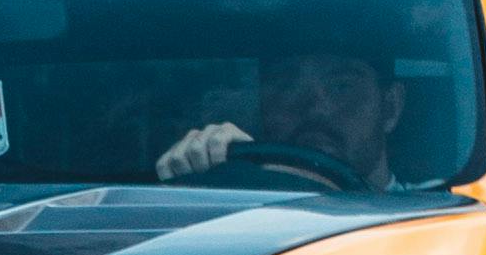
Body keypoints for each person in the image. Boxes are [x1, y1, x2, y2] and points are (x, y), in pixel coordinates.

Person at [156, 36, 406, 190]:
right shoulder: (237, 211)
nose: (316, 108)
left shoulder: (434, 219)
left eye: (342, 86)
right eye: (288, 87)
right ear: (263, 106)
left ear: (391, 107)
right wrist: (201, 171)